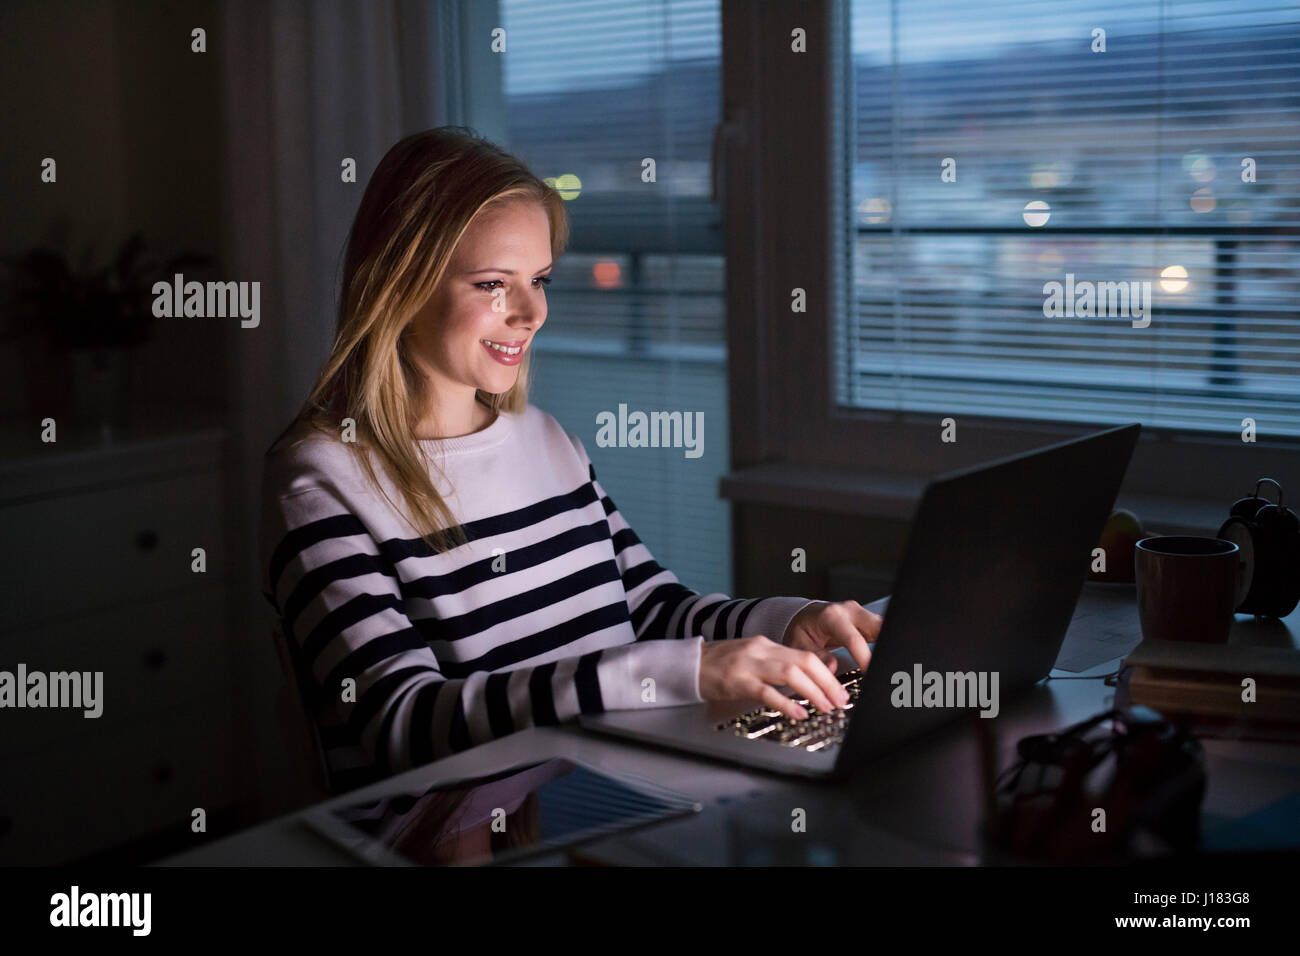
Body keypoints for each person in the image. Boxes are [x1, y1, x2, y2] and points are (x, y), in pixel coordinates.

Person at [260, 127, 880, 792]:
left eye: (540, 279)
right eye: (495, 284)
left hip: (604, 790)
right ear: (400, 282)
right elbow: (403, 723)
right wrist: (677, 672)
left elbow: (647, 607)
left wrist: (787, 626)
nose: (531, 312)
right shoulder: (321, 480)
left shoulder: (547, 441)